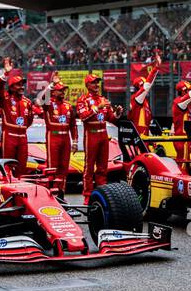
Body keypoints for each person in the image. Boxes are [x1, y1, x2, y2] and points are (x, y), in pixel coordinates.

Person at [76, 72, 122, 202]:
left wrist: (117, 113)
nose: (97, 84)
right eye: (94, 82)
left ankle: (102, 194)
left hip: (103, 134)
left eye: (98, 82)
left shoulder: (103, 99)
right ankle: (87, 196)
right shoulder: (83, 100)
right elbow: (83, 117)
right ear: (87, 85)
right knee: (89, 167)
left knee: (103, 168)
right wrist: (97, 107)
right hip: (91, 135)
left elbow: (111, 118)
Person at [35, 75, 74, 196]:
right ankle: (51, 194)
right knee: (53, 168)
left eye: (64, 90)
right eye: (60, 90)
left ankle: (61, 193)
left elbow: (73, 125)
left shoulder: (68, 106)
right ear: (54, 91)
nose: (63, 92)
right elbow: (41, 99)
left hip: (66, 138)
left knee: (64, 168)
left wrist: (76, 141)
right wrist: (51, 84)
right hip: (53, 137)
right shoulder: (48, 104)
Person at [0, 58, 35, 170]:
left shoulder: (28, 102)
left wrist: (21, 128)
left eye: (22, 84)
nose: (21, 87)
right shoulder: (5, 99)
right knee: (8, 165)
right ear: (11, 87)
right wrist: (6, 73)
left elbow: (30, 120)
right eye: (18, 85)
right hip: (9, 136)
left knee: (22, 166)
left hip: (23, 137)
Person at [127, 57, 161, 135]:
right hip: (139, 136)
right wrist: (156, 68)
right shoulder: (136, 98)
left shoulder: (144, 101)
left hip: (144, 136)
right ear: (139, 87)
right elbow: (147, 86)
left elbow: (147, 123)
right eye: (143, 84)